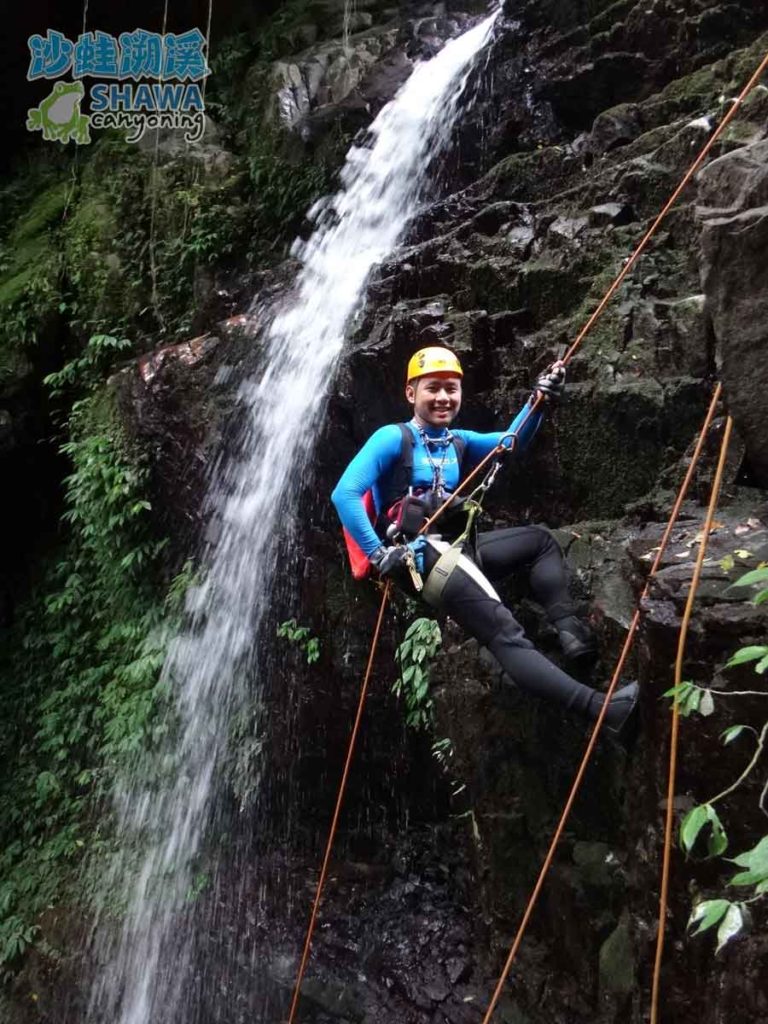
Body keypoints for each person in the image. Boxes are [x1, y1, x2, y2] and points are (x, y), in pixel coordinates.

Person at [331, 346, 638, 735]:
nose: (443, 397)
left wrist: (538, 401)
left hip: (459, 548)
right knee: (504, 635)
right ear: (412, 393)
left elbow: (511, 442)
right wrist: (378, 555)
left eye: (452, 389)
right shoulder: (393, 438)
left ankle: (569, 630)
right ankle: (607, 712)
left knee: (539, 541)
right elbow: (344, 494)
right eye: (433, 388)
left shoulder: (458, 441)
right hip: (421, 559)